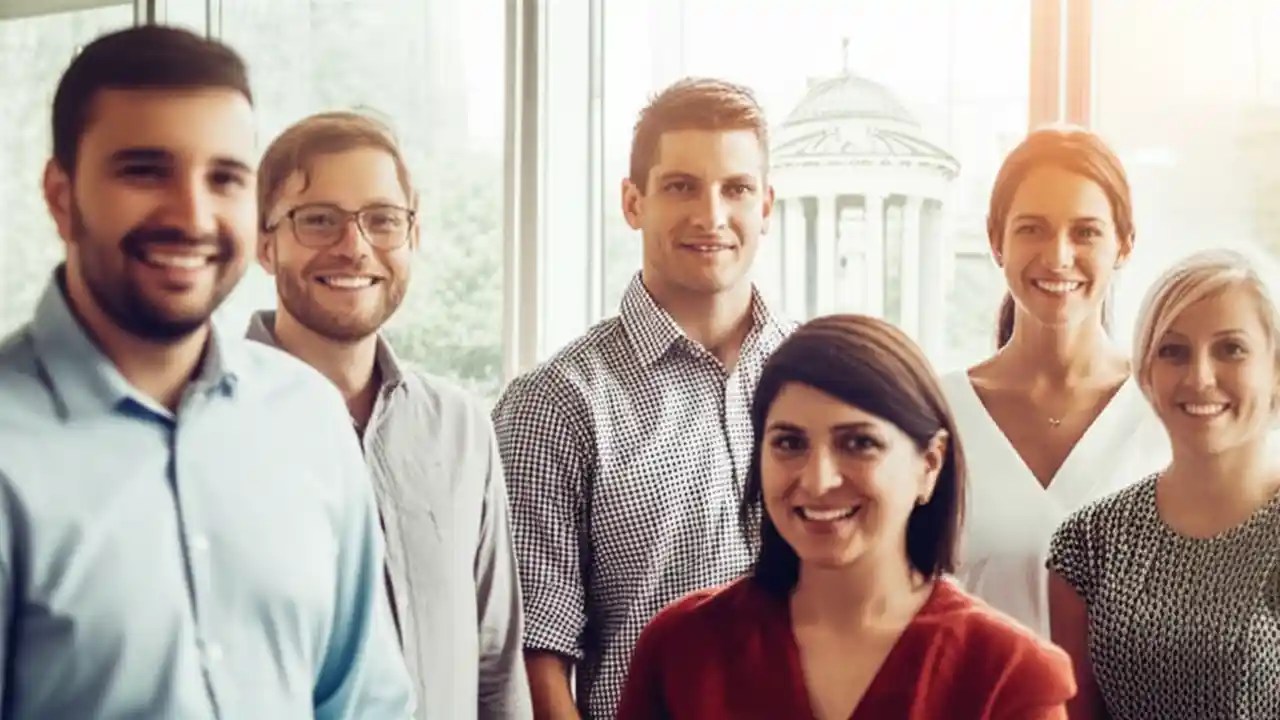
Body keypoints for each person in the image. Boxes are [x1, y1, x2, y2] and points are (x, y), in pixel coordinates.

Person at [0, 26, 412, 719]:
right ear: (61, 196)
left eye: (224, 178)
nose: (192, 215)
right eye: (144, 171)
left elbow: (364, 703)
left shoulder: (310, 419)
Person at [491, 77, 792, 719]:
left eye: (735, 189)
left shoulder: (819, 381)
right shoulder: (554, 404)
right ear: (634, 202)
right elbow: (534, 661)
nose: (711, 216)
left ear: (765, 205)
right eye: (681, 186)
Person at [616, 314, 1076, 719]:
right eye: (790, 443)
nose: (817, 481)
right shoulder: (682, 647)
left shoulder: (1008, 673)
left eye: (858, 443)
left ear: (930, 464)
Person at [247, 110, 531, 720]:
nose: (354, 247)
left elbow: (496, 667)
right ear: (264, 244)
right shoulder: (209, 430)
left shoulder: (460, 426)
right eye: (318, 220)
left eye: (382, 220)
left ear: (413, 236)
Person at [938, 126, 1169, 638]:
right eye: (1032, 229)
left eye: (1085, 231)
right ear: (996, 241)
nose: (1058, 256)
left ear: (1124, 244)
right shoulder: (936, 412)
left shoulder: (1167, 412)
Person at [1048, 249, 1280, 719]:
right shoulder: (1089, 543)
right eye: (1173, 351)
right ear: (1147, 373)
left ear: (1275, 369)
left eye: (1231, 348)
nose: (1200, 377)